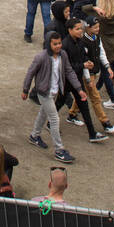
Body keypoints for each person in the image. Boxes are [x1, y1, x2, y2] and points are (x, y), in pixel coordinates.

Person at [22, 31, 86, 165]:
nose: (58, 46)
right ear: (48, 44)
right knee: (55, 119)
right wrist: (25, 90)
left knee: (43, 113)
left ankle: (34, 135)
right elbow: (30, 73)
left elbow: (69, 71)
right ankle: (59, 150)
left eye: (59, 43)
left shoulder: (63, 55)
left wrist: (79, 89)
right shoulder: (41, 57)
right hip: (44, 92)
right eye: (55, 44)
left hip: (54, 92)